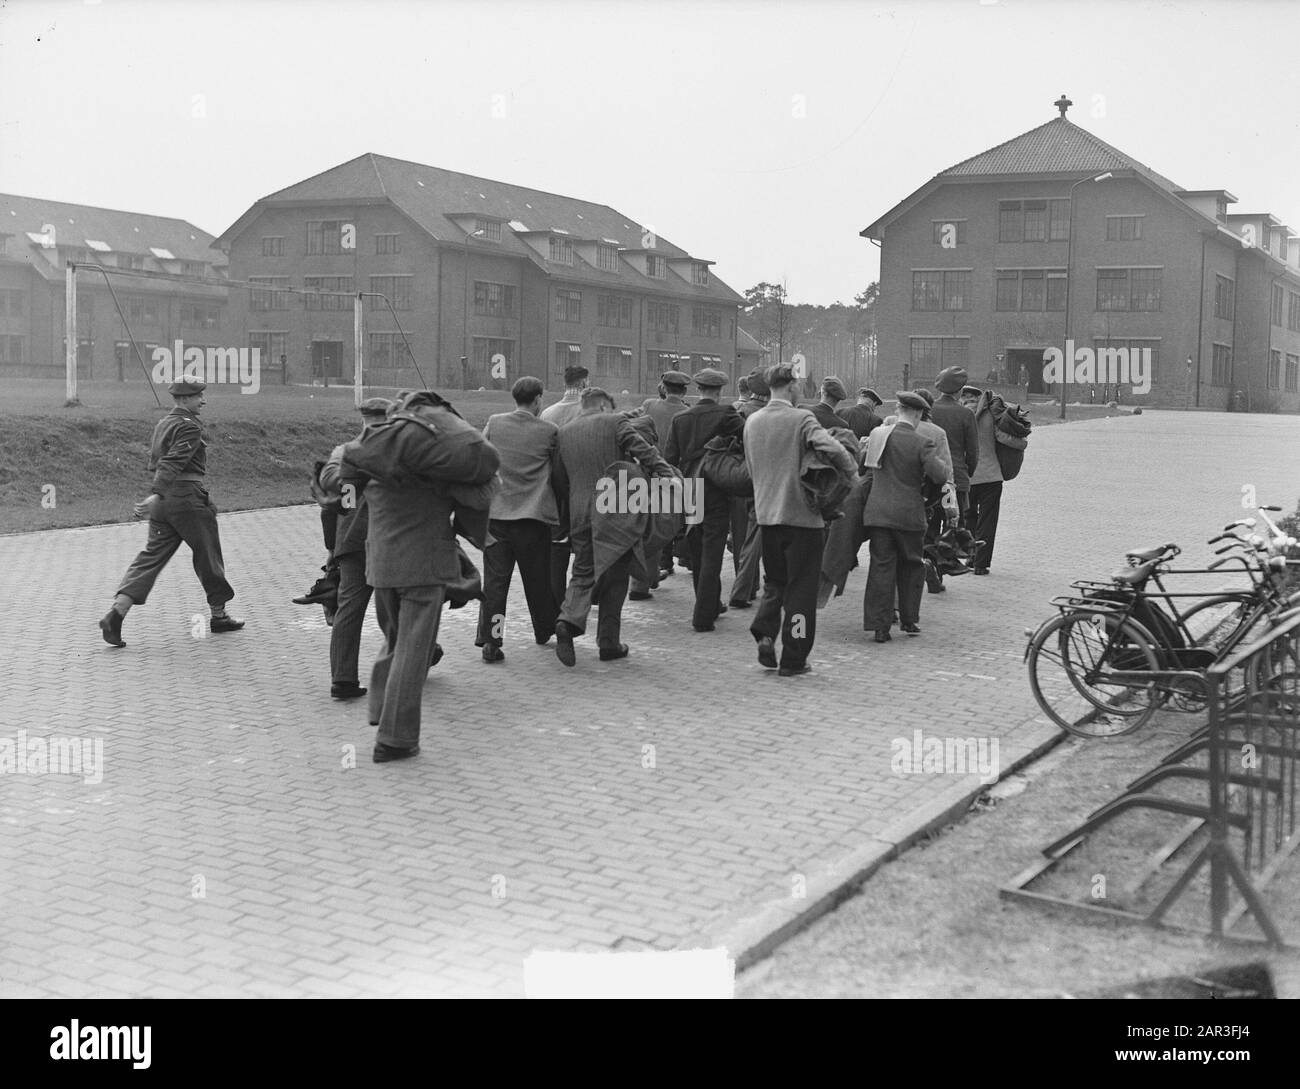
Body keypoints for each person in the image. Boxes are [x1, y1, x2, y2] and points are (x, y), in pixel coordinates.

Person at [339, 415, 473, 764]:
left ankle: (382, 708)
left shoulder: (371, 469)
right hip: (424, 572)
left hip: (381, 567)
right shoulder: (439, 476)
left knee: (396, 640)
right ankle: (395, 739)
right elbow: (482, 495)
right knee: (414, 650)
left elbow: (335, 483)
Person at [99, 377, 243, 647]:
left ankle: (117, 613)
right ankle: (219, 615)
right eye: (199, 396)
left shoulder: (163, 423)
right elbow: (173, 460)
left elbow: (157, 460)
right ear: (185, 399)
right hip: (186, 499)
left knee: (150, 558)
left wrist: (158, 495)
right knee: (208, 554)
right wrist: (158, 491)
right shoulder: (190, 426)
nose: (204, 400)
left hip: (163, 505)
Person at [744, 363, 856, 676]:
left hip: (767, 517)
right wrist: (849, 467)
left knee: (775, 583)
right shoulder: (801, 418)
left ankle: (765, 633)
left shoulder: (752, 421)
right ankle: (793, 658)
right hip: (802, 518)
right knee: (801, 593)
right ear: (792, 386)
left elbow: (751, 469)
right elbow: (829, 446)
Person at [553, 388, 674, 667]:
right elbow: (644, 451)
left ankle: (568, 621)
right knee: (617, 572)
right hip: (613, 506)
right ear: (605, 405)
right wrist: (668, 475)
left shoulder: (565, 431)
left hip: (579, 510)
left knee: (583, 571)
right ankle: (608, 642)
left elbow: (560, 478)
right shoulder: (615, 422)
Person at [475, 376, 561, 662]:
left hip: (497, 517)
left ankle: (493, 639)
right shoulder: (549, 431)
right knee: (537, 581)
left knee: (496, 584)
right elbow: (559, 474)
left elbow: (480, 458)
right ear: (537, 399)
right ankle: (544, 630)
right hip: (532, 518)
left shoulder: (495, 422)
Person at [318, 397, 394, 699]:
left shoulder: (344, 452)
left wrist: (332, 546)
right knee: (396, 603)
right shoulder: (397, 452)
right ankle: (416, 656)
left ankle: (343, 679)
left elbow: (331, 493)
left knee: (350, 608)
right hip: (390, 539)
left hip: (351, 539)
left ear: (363, 420)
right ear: (388, 420)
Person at [861, 392, 948, 642]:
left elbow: (862, 466)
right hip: (908, 515)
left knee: (881, 566)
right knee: (911, 566)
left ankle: (879, 626)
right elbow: (940, 475)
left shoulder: (878, 437)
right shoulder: (921, 443)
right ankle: (909, 620)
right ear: (919, 414)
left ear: (898, 409)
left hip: (878, 513)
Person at [665, 368, 739, 632]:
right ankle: (703, 615)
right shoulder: (727, 414)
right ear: (719, 391)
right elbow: (744, 443)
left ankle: (709, 603)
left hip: (690, 488)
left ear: (698, 390)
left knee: (697, 550)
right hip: (717, 488)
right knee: (712, 554)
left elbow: (670, 459)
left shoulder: (680, 418)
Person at [542, 364, 589, 611]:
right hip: (583, 488)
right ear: (583, 384)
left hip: (554, 490)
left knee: (557, 549)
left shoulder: (548, 413)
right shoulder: (589, 413)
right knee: (584, 550)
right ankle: (580, 600)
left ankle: (556, 600)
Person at [928, 368, 979, 592]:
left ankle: (931, 569)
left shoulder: (928, 409)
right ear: (959, 391)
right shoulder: (966, 415)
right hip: (956, 479)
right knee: (952, 527)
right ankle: (944, 569)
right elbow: (973, 452)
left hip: (930, 477)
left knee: (930, 525)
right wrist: (967, 473)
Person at [641, 370, 692, 578]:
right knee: (683, 514)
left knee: (658, 517)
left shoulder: (649, 406)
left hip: (651, 470)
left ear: (664, 388)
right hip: (679, 471)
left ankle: (663, 561)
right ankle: (687, 557)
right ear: (685, 390)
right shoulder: (688, 412)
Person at [727, 366, 770, 609]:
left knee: (740, 532)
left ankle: (746, 584)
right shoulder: (772, 414)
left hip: (739, 478)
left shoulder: (739, 412)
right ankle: (749, 586)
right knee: (760, 535)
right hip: (766, 481)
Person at [965, 384, 1005, 576]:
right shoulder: (991, 415)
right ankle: (981, 564)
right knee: (988, 519)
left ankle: (970, 556)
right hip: (991, 475)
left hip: (968, 475)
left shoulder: (961, 416)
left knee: (969, 517)